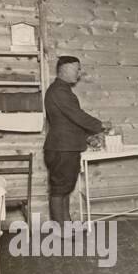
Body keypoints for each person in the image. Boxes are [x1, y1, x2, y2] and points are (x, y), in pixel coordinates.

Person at [43, 55, 106, 224]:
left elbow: (69, 122)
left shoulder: (61, 90)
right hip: (62, 148)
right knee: (59, 190)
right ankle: (60, 228)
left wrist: (87, 137)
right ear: (65, 69)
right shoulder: (59, 91)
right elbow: (77, 116)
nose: (79, 73)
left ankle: (67, 224)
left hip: (66, 147)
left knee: (65, 189)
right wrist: (100, 125)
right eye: (77, 69)